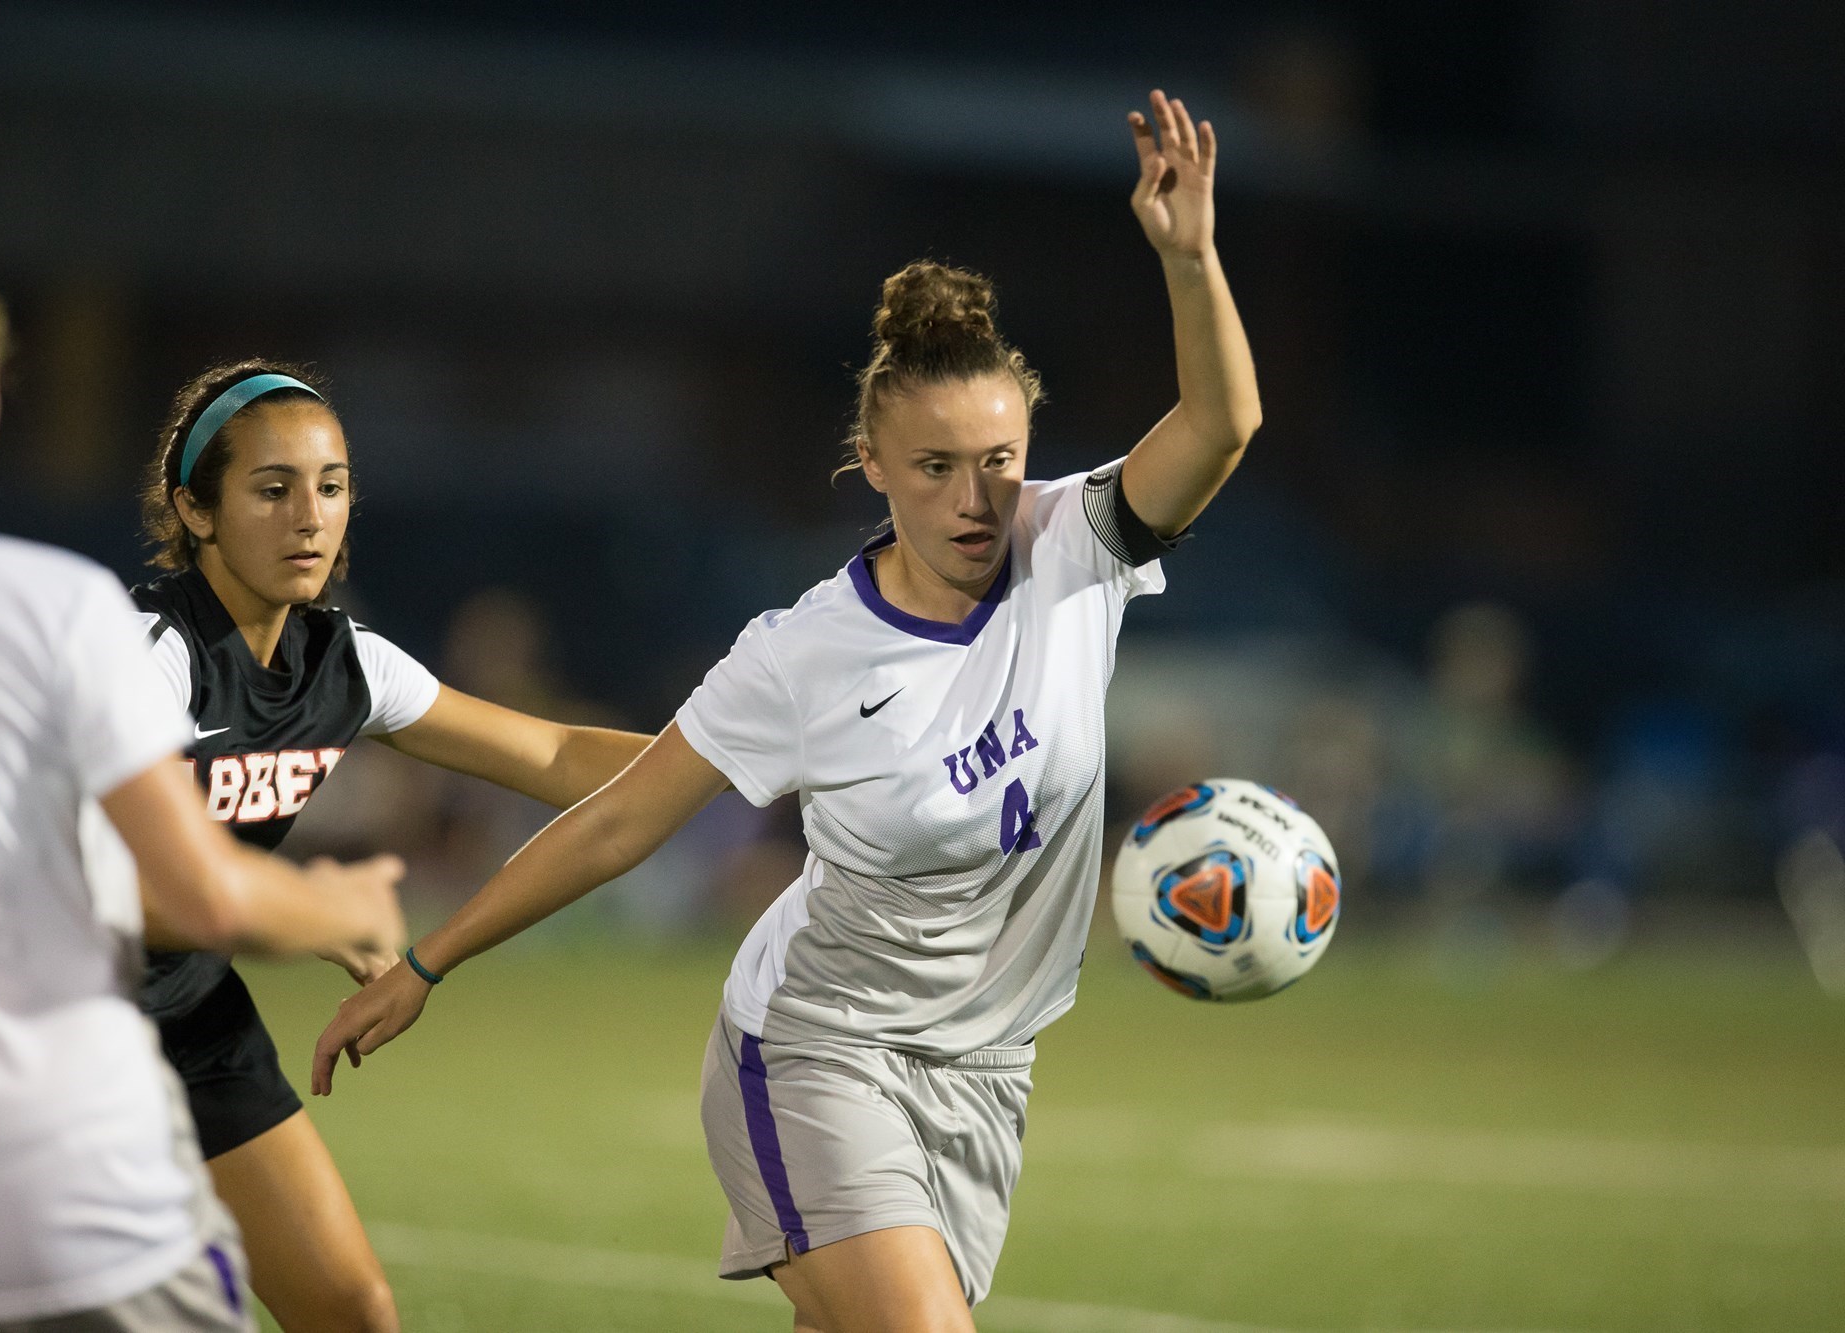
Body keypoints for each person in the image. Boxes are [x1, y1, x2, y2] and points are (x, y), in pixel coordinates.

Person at [315, 88, 1258, 1332]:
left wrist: (1189, 263)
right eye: (934, 467)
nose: (976, 499)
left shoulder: (1073, 543)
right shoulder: (803, 652)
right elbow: (617, 820)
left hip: (988, 1068)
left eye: (999, 461)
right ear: (871, 465)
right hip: (816, 1050)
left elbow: (1222, 424)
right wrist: (432, 959)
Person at [0, 198, 405, 1332]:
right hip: (61, 1187)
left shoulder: (325, 657)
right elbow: (187, 885)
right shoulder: (59, 608)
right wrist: (326, 903)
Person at [131, 358, 651, 1332]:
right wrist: (315, 911)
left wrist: (746, 755)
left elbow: (550, 749)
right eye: (272, 488)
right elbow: (144, 874)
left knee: (352, 1311)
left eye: (329, 487)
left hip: (192, 1016)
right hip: (56, 1022)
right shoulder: (147, 654)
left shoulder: (341, 661)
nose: (309, 516)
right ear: (195, 511)